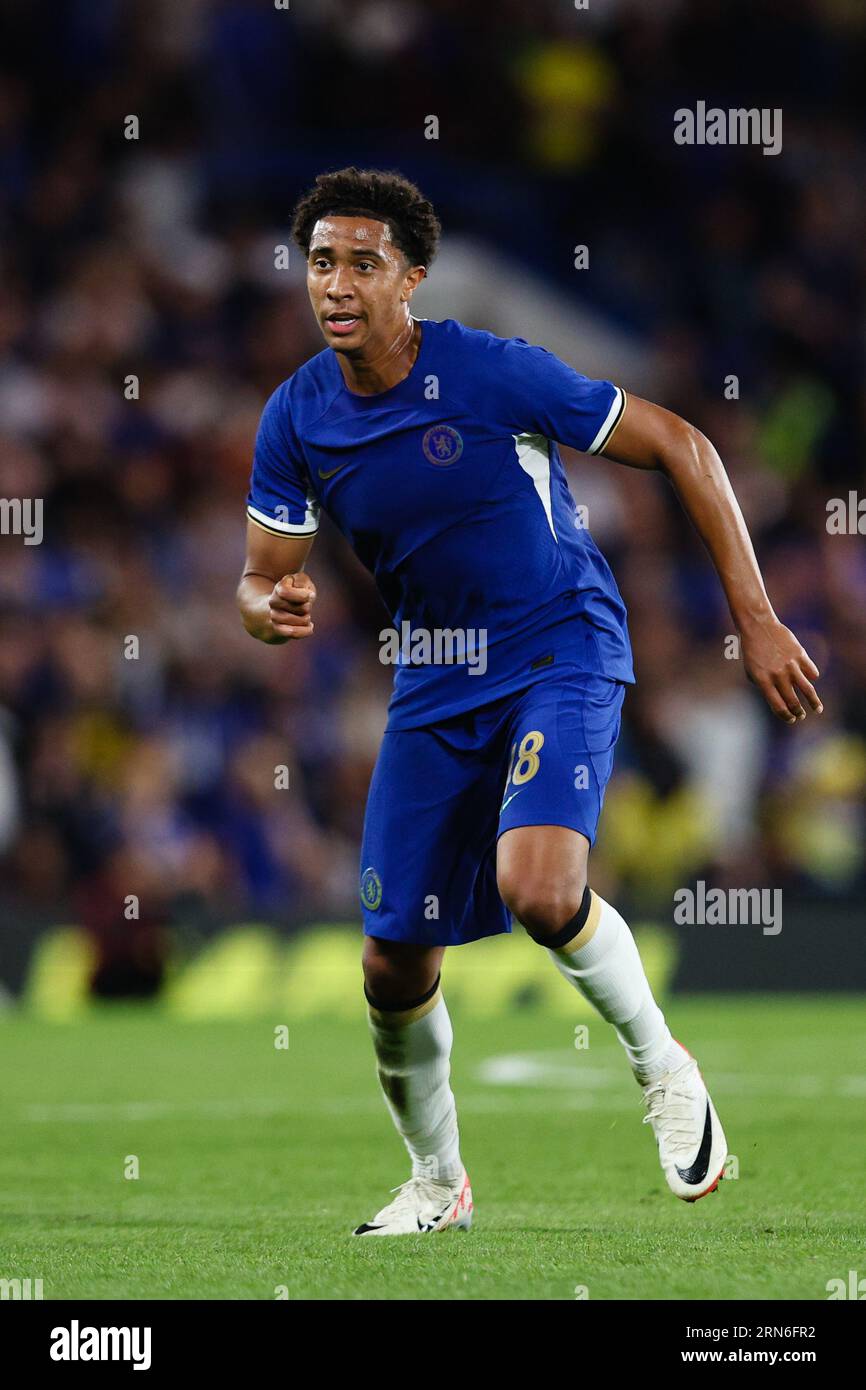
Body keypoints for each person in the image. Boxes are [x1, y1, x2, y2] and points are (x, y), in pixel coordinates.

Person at [236, 167, 822, 1236]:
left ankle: (662, 1068)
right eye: (321, 261)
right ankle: (437, 1183)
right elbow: (258, 574)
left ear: (410, 278)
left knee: (539, 885)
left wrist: (754, 616)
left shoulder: (491, 372)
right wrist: (265, 604)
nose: (336, 283)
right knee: (389, 961)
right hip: (431, 676)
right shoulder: (294, 418)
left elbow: (684, 446)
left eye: (363, 263)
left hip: (560, 644)